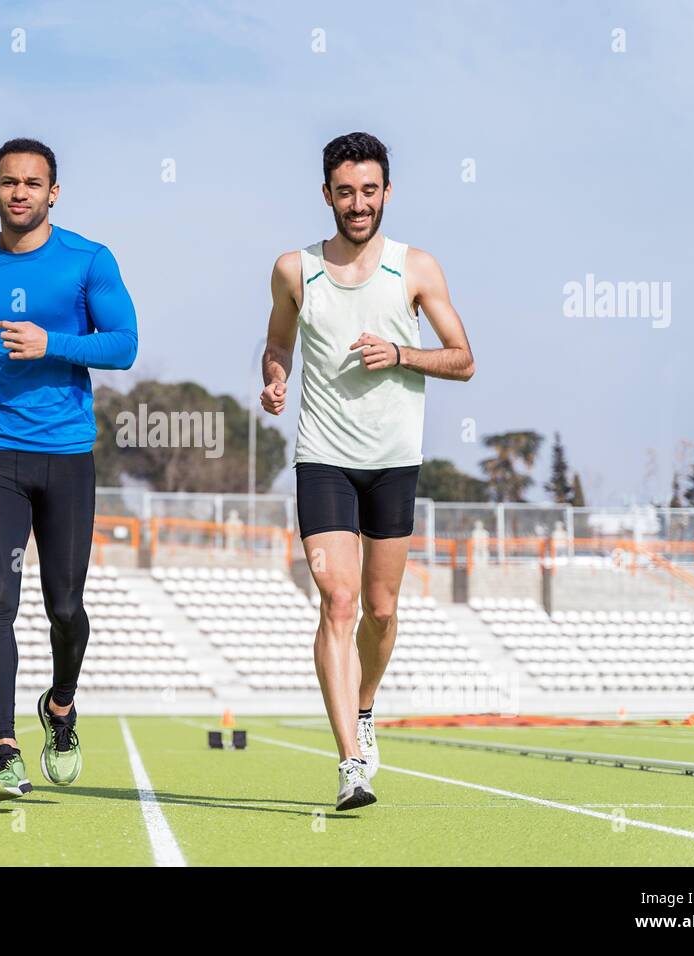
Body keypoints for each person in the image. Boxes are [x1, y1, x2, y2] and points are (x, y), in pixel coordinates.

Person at [260, 132, 475, 810]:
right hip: (322, 457)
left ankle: (367, 702)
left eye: (369, 191)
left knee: (381, 611)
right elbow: (277, 341)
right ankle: (351, 759)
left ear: (387, 193)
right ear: (327, 194)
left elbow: (463, 358)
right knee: (339, 603)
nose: (358, 203)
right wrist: (274, 380)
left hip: (393, 464)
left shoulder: (416, 269)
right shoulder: (295, 270)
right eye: (345, 192)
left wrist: (402, 354)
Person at [0, 138, 138, 804]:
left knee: (66, 607)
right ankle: (3, 751)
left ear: (54, 193)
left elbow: (124, 344)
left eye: (34, 183)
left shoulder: (88, 261)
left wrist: (54, 344)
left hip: (69, 456)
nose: (21, 193)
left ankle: (62, 706)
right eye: (9, 182)